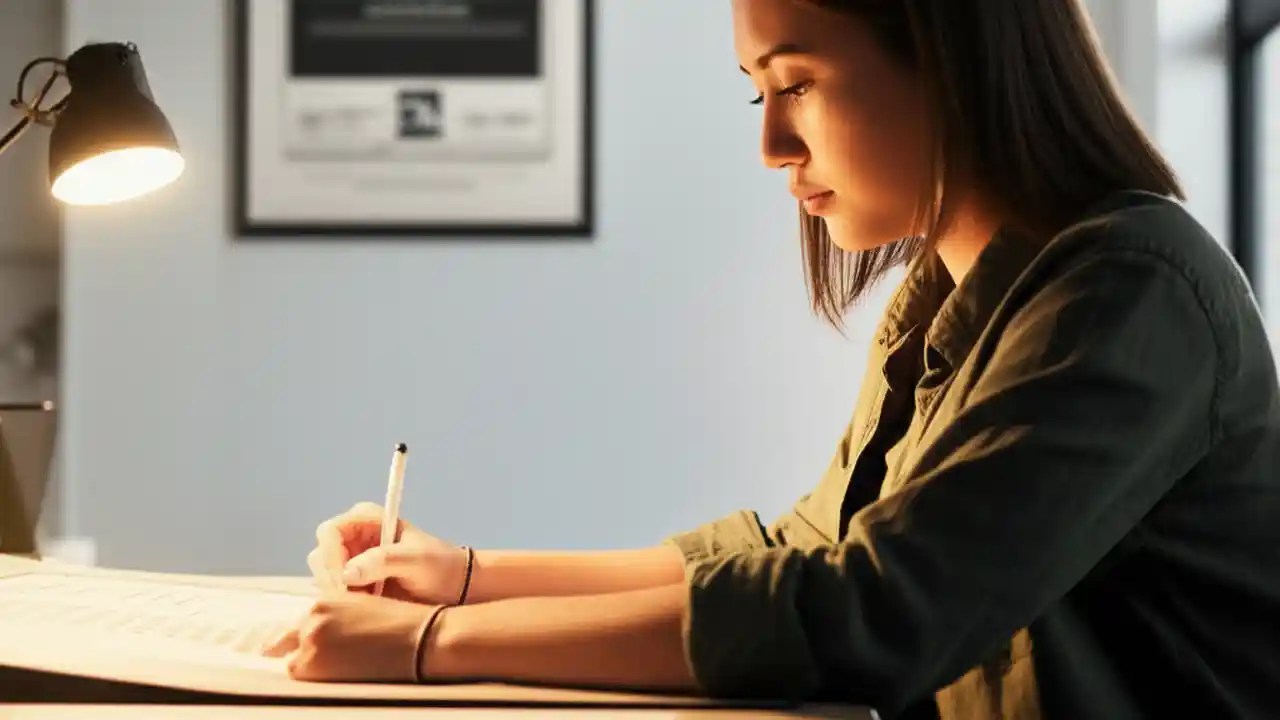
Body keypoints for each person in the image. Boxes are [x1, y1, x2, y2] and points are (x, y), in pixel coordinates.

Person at [262, 1, 1280, 718]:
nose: (773, 146)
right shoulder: (943, 298)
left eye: (796, 82)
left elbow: (873, 611)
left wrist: (432, 648)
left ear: (949, 58)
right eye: (759, 94)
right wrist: (467, 578)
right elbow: (805, 544)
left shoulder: (1130, 291)